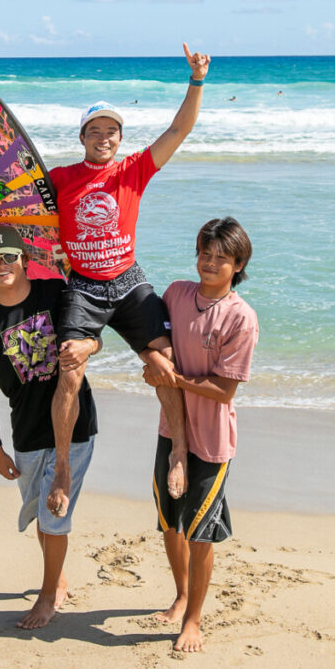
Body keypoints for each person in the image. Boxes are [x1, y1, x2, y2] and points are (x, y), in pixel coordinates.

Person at [46, 42, 211, 518]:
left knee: (165, 362)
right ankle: (62, 468)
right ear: (82, 137)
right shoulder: (58, 179)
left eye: (112, 130)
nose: (104, 137)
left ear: (120, 138)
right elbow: (11, 210)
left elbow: (180, 129)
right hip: (82, 286)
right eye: (95, 130)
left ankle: (179, 449)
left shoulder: (133, 170)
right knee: (69, 370)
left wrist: (196, 79)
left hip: (129, 281)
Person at [0, 225, 100, 629]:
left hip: (74, 426)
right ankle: (57, 580)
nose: (2, 264)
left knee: (54, 512)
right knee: (43, 516)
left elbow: (93, 336)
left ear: (24, 260)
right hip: (24, 435)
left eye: (9, 256)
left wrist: (89, 346)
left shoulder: (56, 294)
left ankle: (48, 597)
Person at [144, 217, 258, 653]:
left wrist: (171, 377)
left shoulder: (241, 318)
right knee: (170, 523)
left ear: (238, 264)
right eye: (204, 254)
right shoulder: (176, 293)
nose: (209, 263)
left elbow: (223, 389)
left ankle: (193, 619)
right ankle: (180, 596)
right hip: (170, 431)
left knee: (199, 532)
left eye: (220, 258)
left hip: (211, 442)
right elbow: (145, 329)